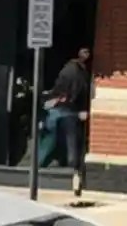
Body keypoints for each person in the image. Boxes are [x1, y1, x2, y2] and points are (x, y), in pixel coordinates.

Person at [40, 48, 91, 192]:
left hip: (61, 110)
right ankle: (71, 173)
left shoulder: (70, 70)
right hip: (68, 112)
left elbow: (60, 90)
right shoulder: (77, 72)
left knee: (49, 142)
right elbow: (70, 92)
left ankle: (39, 168)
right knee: (69, 144)